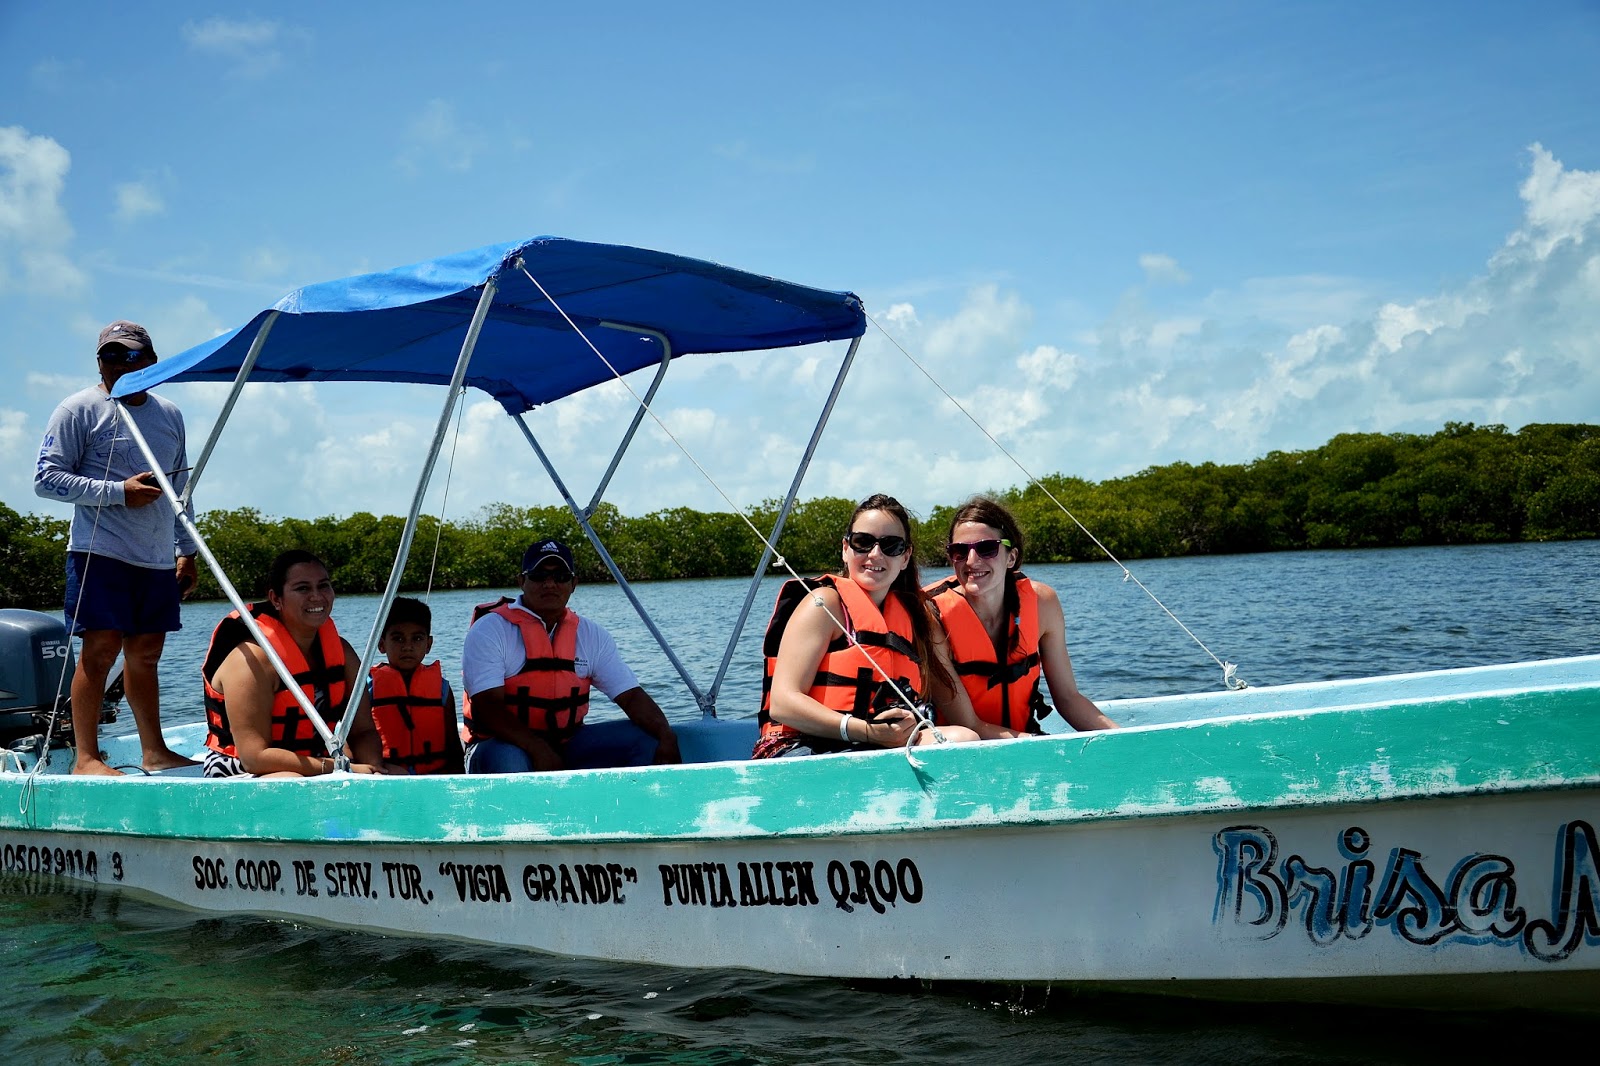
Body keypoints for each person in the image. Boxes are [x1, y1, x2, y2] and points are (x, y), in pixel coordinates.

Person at [34, 321, 199, 776]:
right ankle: (86, 758)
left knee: (145, 656)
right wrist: (118, 491)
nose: (121, 366)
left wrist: (186, 549)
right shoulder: (78, 409)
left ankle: (155, 751)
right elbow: (46, 479)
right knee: (100, 651)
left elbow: (180, 486)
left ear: (151, 362)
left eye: (131, 357)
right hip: (99, 552)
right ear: (99, 362)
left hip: (156, 556)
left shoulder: (170, 414)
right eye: (111, 357)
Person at [752, 494, 981, 759]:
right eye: (863, 542)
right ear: (845, 549)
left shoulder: (915, 619)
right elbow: (782, 704)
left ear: (905, 557)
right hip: (802, 745)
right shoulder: (823, 605)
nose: (875, 554)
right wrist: (867, 732)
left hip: (873, 744)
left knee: (964, 740)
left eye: (891, 545)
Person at [460, 538, 681, 773]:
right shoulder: (490, 630)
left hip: (566, 743)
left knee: (649, 739)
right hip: (498, 745)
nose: (550, 584)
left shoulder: (592, 635)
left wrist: (665, 733)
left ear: (573, 583)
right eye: (539, 575)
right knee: (511, 762)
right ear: (521, 581)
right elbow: (487, 708)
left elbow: (631, 697)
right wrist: (538, 750)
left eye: (560, 576)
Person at [926, 496, 1117, 738]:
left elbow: (1068, 698)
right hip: (967, 750)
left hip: (1025, 737)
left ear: (1011, 557)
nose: (972, 561)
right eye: (960, 551)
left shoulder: (1043, 603)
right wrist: (1038, 746)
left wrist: (1122, 739)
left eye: (987, 549)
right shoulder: (932, 616)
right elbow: (970, 726)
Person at [200, 550, 383, 777]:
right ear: (276, 599)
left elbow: (363, 731)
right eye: (303, 588)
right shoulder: (251, 661)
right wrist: (342, 768)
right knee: (293, 781)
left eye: (324, 586)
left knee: (397, 774)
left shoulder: (342, 652)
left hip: (314, 762)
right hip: (240, 766)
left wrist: (375, 772)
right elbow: (254, 758)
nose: (317, 596)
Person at [369, 596, 464, 774]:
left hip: (432, 779)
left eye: (417, 639)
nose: (407, 647)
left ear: (429, 644)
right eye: (398, 639)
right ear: (382, 644)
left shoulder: (442, 690)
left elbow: (453, 748)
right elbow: (355, 742)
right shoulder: (367, 688)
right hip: (387, 778)